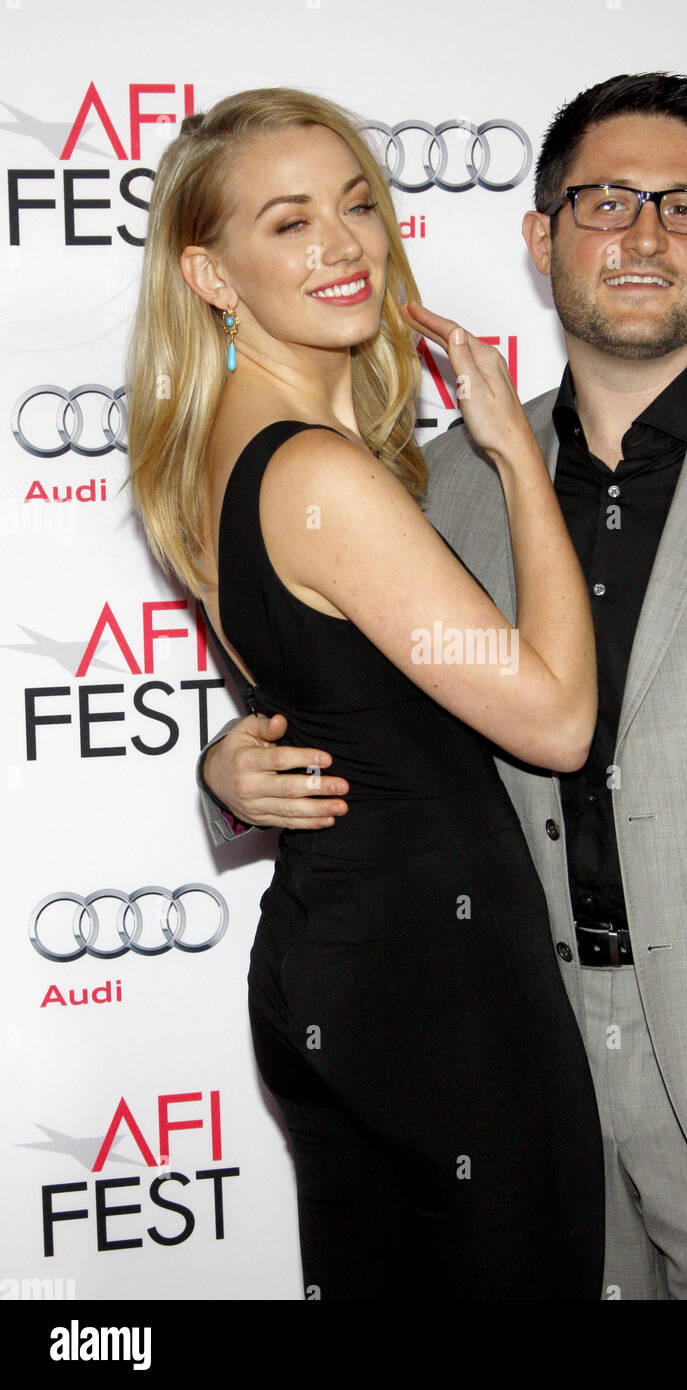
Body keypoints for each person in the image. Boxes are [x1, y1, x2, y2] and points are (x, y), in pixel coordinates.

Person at [201, 73, 687, 1301]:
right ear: (540, 238)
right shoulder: (437, 481)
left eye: (686, 208)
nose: (645, 235)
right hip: (504, 1054)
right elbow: (366, 708)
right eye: (604, 201)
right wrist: (229, 769)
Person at [128, 87, 607, 1300]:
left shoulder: (220, 457)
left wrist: (220, 761)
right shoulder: (323, 475)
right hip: (430, 987)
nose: (342, 244)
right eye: (286, 223)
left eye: (356, 206)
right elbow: (555, 719)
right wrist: (513, 452)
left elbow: (320, 692)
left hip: (344, 955)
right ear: (213, 274)